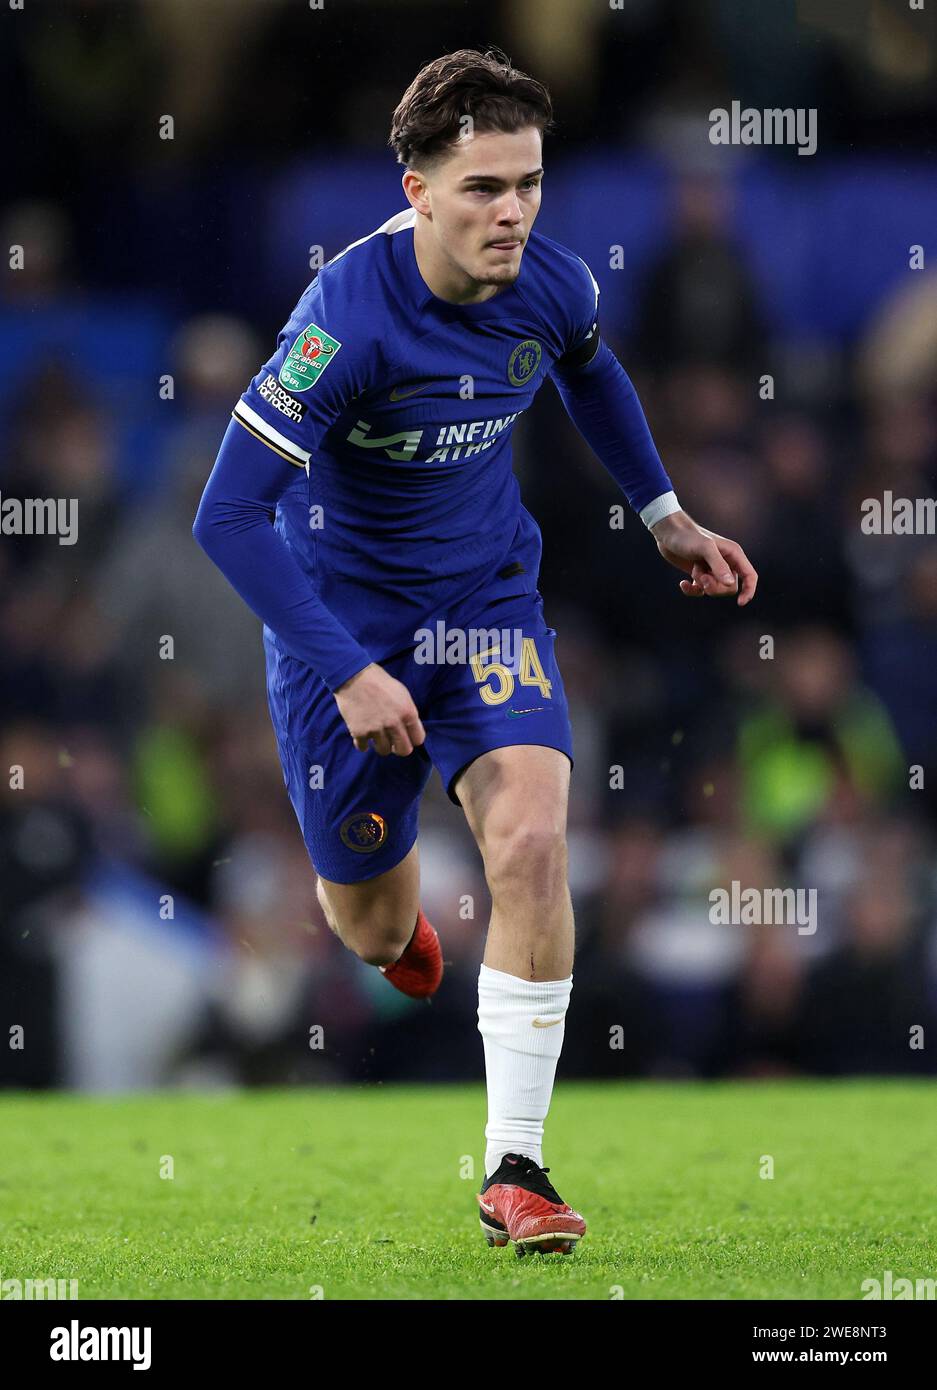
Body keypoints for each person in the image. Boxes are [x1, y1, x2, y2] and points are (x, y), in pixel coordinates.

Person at [193, 47, 757, 1257]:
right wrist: (345, 667)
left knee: (534, 838)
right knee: (370, 931)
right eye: (483, 189)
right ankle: (405, 935)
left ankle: (516, 1166)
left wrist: (665, 516)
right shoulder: (342, 323)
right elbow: (224, 515)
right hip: (344, 638)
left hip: (488, 603)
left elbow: (593, 376)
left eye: (529, 184)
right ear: (415, 192)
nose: (511, 213)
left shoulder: (548, 283)